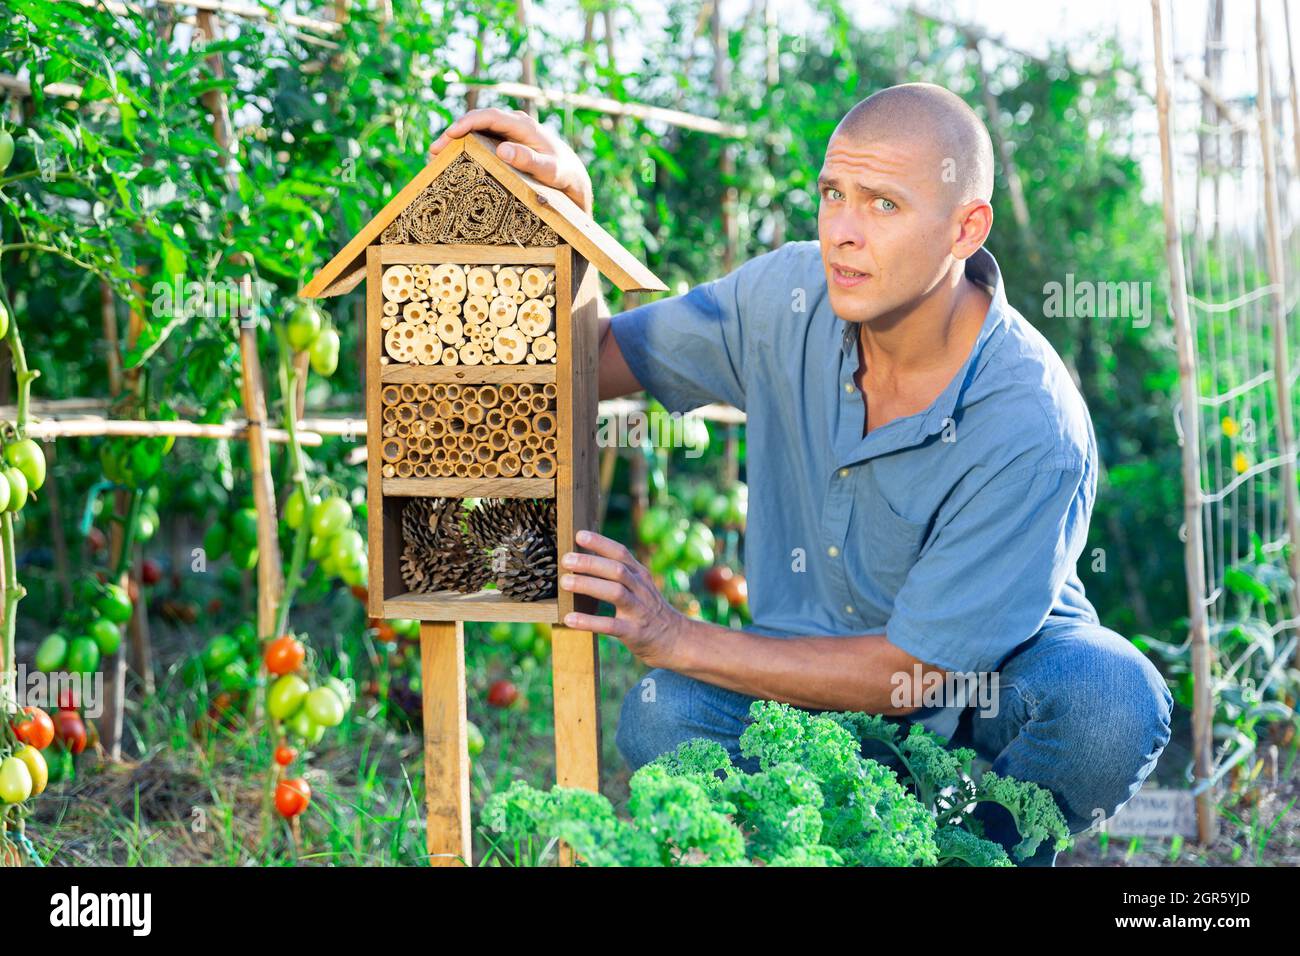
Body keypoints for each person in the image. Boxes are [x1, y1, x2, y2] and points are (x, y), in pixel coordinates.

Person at [430, 83, 1173, 866]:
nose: (843, 234)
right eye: (833, 195)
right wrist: (567, 228)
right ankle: (846, 838)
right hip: (804, 681)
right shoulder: (785, 299)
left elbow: (911, 674)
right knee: (660, 714)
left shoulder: (1032, 420)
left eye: (883, 205)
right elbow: (590, 360)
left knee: (1108, 702)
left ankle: (969, 849)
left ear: (966, 228)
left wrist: (677, 633)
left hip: (980, 691)